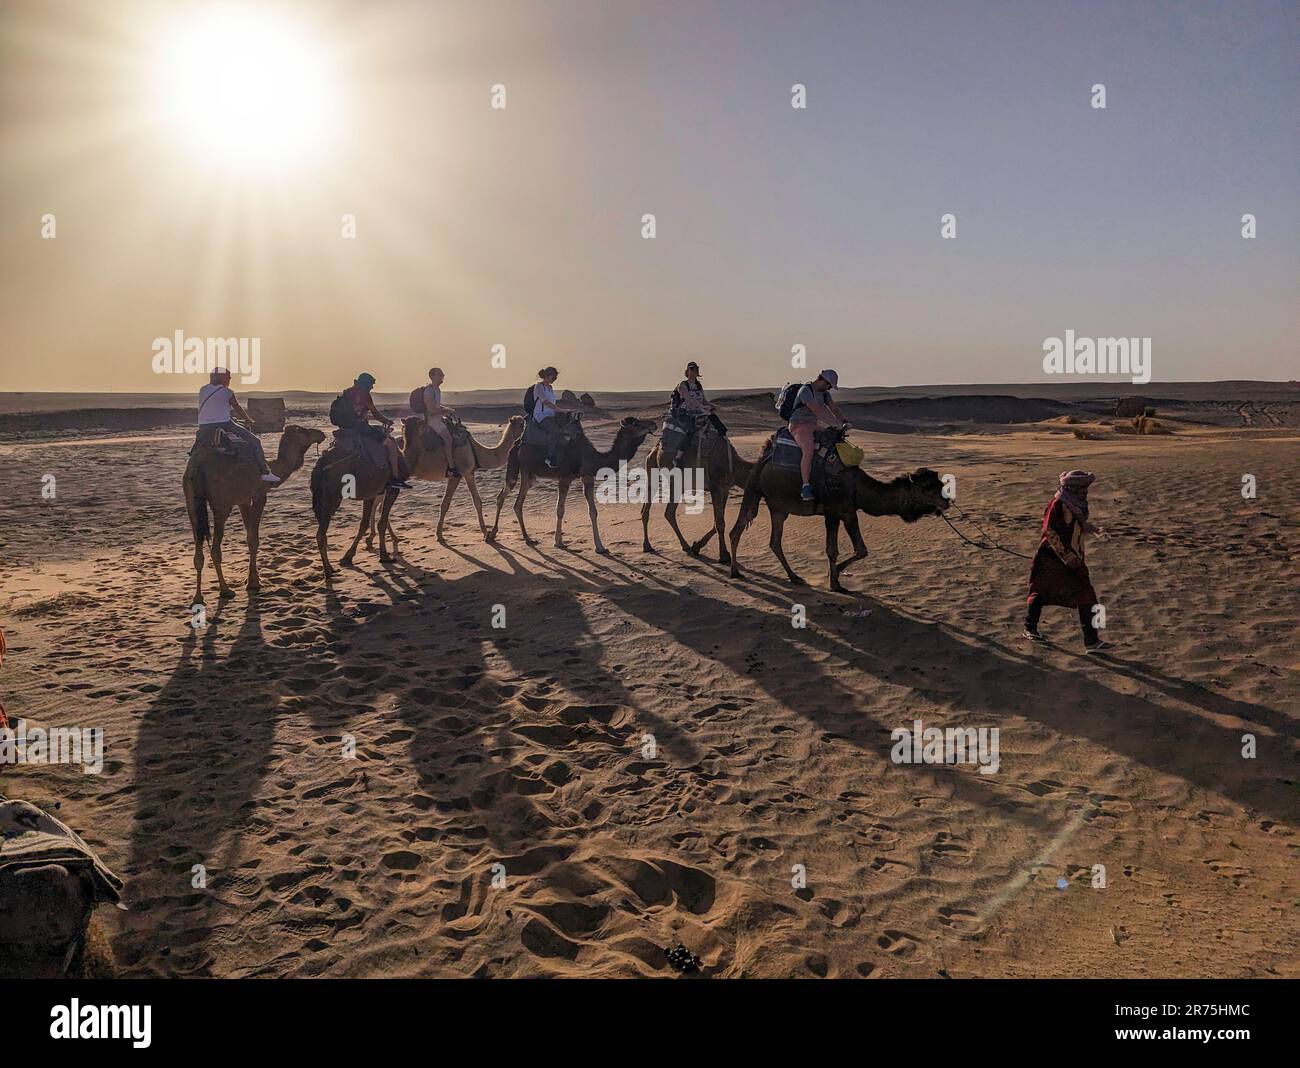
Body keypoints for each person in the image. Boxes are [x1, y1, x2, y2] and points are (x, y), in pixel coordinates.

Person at [1023, 470, 1111, 652]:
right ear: (1073, 488)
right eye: (1082, 489)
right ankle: (1030, 629)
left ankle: (1092, 641)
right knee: (1039, 593)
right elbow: (1050, 532)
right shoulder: (1056, 504)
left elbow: (1076, 524)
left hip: (1073, 559)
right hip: (1051, 559)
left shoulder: (1074, 505)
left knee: (1087, 595)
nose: (1085, 493)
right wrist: (1067, 557)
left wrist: (1091, 529)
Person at [197, 368, 279, 482]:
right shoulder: (227, 392)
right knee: (255, 441)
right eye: (228, 377)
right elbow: (238, 409)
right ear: (222, 378)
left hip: (203, 426)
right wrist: (248, 419)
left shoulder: (203, 389)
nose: (229, 379)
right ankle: (265, 472)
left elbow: (215, 408)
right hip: (224, 424)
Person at [340, 373, 411, 489]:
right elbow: (375, 413)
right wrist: (387, 421)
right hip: (360, 428)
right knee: (391, 445)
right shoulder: (364, 394)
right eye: (371, 384)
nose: (372, 387)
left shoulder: (347, 392)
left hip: (345, 428)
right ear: (366, 384)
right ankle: (394, 477)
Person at [788, 369, 848, 501]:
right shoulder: (806, 391)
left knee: (833, 442)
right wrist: (835, 424)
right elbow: (817, 410)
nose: (829, 388)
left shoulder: (825, 394)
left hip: (813, 425)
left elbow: (834, 408)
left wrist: (844, 422)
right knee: (808, 449)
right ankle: (805, 487)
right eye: (829, 385)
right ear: (822, 380)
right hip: (798, 425)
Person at [661, 360, 716, 466]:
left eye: (695, 369)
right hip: (683, 413)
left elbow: (704, 400)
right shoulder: (682, 385)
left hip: (698, 412)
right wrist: (701, 407)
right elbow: (689, 399)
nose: (694, 371)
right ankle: (678, 457)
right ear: (687, 371)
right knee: (690, 430)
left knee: (716, 424)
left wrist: (712, 406)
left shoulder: (698, 386)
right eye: (691, 369)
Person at [421, 367, 460, 477]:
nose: (442, 376)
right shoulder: (429, 391)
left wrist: (448, 409)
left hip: (437, 419)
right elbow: (431, 410)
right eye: (439, 374)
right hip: (432, 421)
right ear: (432, 376)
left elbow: (436, 406)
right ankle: (451, 467)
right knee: (448, 438)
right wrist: (446, 411)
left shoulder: (436, 390)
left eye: (442, 374)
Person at [531, 366, 565, 468]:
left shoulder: (550, 388)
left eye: (555, 378)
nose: (554, 380)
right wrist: (558, 409)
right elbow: (544, 401)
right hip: (541, 416)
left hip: (551, 415)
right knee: (554, 430)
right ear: (547, 376)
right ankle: (550, 457)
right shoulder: (539, 386)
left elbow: (552, 403)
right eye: (553, 378)